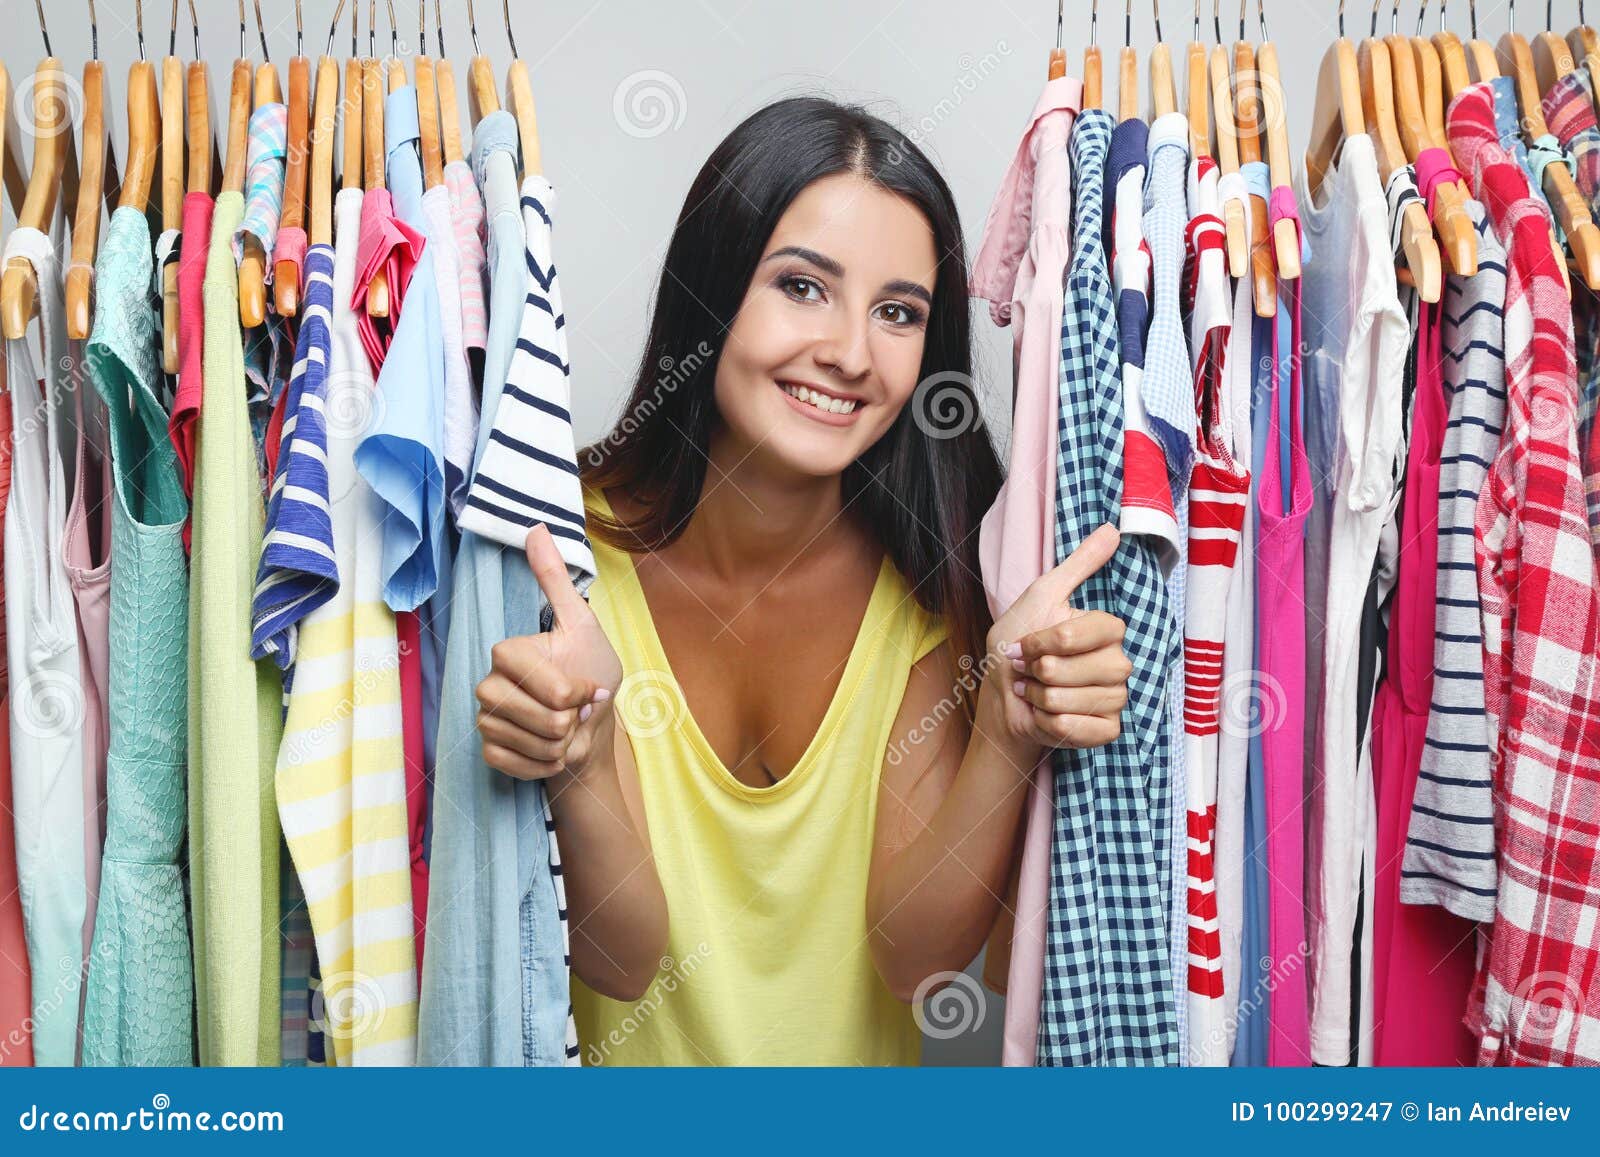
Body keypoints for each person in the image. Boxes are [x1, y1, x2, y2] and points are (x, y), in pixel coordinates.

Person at [473, 96, 1132, 1065]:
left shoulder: (935, 588)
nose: (851, 353)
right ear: (711, 287)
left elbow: (913, 960)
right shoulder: (555, 556)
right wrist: (578, 761)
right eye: (802, 286)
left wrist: (1006, 726)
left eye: (898, 312)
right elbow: (620, 960)